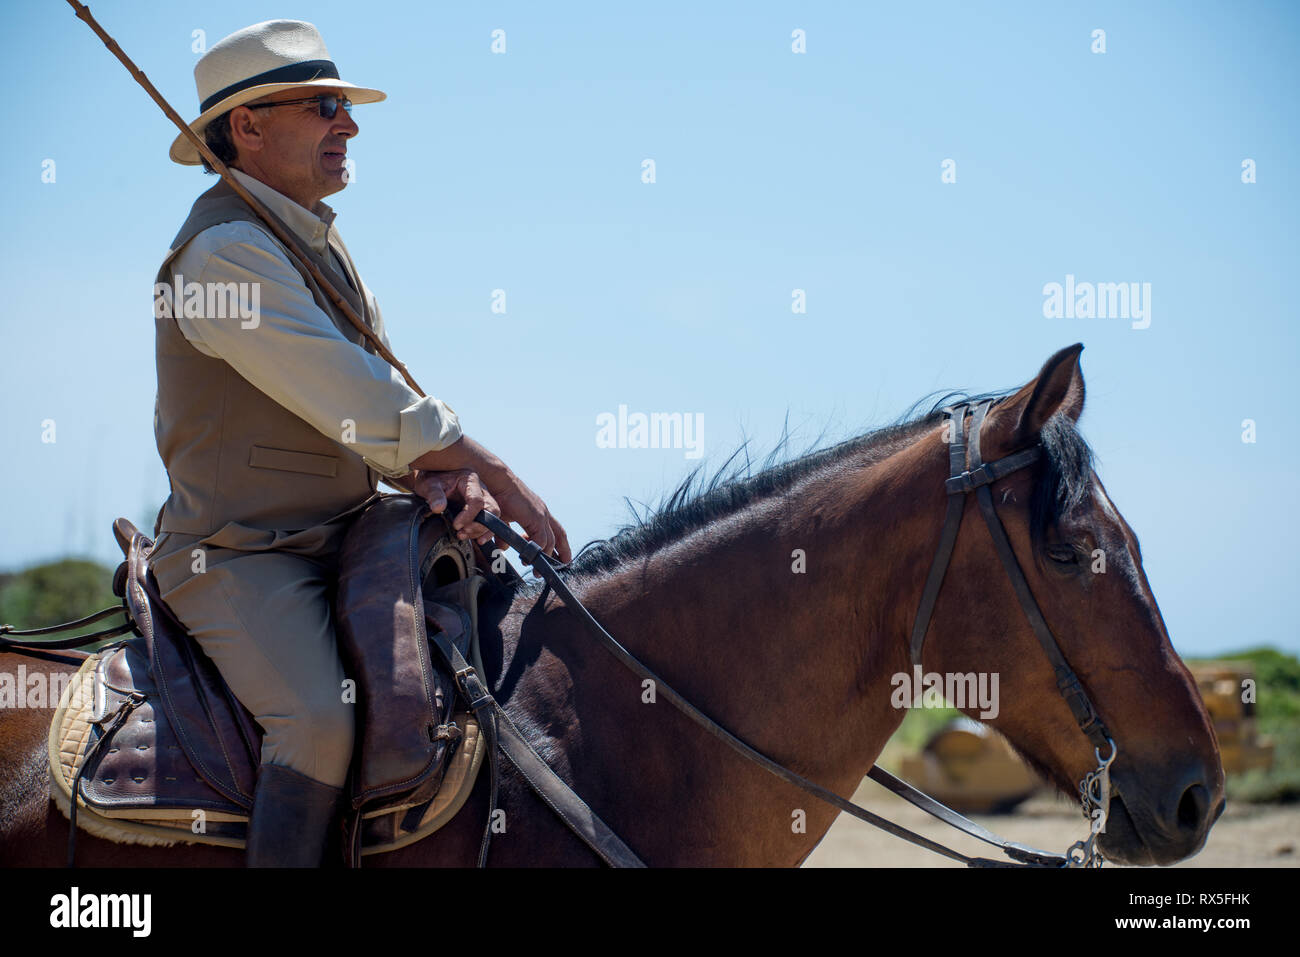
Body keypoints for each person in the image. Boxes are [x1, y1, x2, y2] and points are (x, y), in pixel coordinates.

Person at [147, 19, 570, 866]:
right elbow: (355, 398)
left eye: (344, 105)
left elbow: (373, 416)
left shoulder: (315, 242)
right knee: (317, 720)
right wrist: (486, 465)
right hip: (240, 557)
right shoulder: (224, 256)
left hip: (348, 535)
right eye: (326, 106)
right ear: (249, 127)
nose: (349, 125)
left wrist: (435, 479)